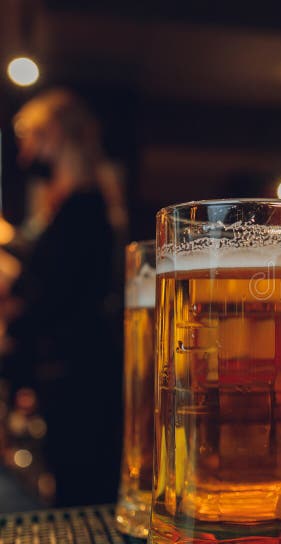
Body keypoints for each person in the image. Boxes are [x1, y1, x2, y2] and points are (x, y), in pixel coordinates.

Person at [5, 89, 126, 506]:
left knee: (80, 490)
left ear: (53, 135)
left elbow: (52, 296)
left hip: (79, 377)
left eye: (28, 137)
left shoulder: (84, 207)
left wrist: (16, 314)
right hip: (68, 372)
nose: (23, 153)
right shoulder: (68, 206)